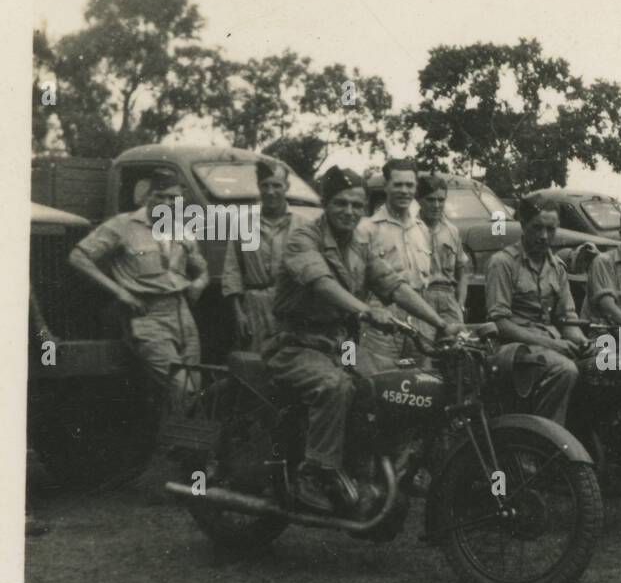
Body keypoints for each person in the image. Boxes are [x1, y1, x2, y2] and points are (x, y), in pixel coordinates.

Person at [265, 166, 454, 514]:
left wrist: (440, 323)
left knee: (381, 388)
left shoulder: (361, 244)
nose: (349, 212)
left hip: (342, 345)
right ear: (325, 203)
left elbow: (395, 285)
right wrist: (365, 311)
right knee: (335, 386)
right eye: (340, 204)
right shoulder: (303, 239)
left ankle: (365, 473)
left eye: (356, 205)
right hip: (297, 344)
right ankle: (313, 472)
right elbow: (322, 283)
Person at [68, 167, 208, 413]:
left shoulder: (182, 230)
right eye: (160, 196)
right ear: (147, 196)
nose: (166, 203)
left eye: (173, 198)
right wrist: (120, 292)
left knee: (193, 385)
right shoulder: (123, 225)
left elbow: (201, 269)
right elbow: (78, 257)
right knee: (180, 386)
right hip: (147, 316)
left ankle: (178, 443)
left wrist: (199, 283)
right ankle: (174, 446)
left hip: (183, 314)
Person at [485, 197, 587, 423]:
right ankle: (540, 440)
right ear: (523, 224)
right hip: (515, 349)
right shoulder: (503, 263)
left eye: (551, 229)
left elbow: (567, 317)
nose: (544, 236)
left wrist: (582, 343)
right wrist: (551, 344)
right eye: (537, 228)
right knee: (565, 370)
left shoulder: (557, 267)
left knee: (601, 365)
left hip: (550, 344)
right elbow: (500, 323)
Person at [222, 158, 308, 351]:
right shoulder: (243, 223)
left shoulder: (303, 225)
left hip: (291, 306)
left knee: (291, 361)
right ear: (258, 187)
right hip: (254, 306)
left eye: (276, 185)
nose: (270, 191)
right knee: (256, 364)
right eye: (265, 185)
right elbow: (232, 270)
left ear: (287, 186)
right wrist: (239, 314)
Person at [358, 158, 428, 367]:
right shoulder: (367, 228)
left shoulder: (422, 229)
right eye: (398, 184)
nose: (404, 190)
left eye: (410, 185)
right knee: (381, 382)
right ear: (386, 185)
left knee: (421, 384)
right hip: (383, 320)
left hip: (419, 319)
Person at [414, 173, 470, 324]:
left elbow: (462, 273)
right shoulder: (410, 229)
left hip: (449, 298)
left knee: (459, 343)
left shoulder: (452, 231)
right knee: (424, 344)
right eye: (430, 200)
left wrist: (460, 305)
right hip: (421, 298)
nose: (436, 205)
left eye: (441, 200)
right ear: (419, 200)